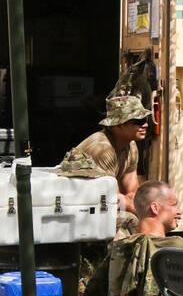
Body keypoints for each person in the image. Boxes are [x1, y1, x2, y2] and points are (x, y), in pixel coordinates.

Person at [58, 93, 150, 229]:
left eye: (145, 119)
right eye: (138, 121)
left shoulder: (130, 146)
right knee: (131, 220)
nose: (146, 125)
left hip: (97, 205)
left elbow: (131, 192)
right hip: (74, 210)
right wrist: (147, 217)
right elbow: (112, 199)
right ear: (119, 124)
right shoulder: (102, 149)